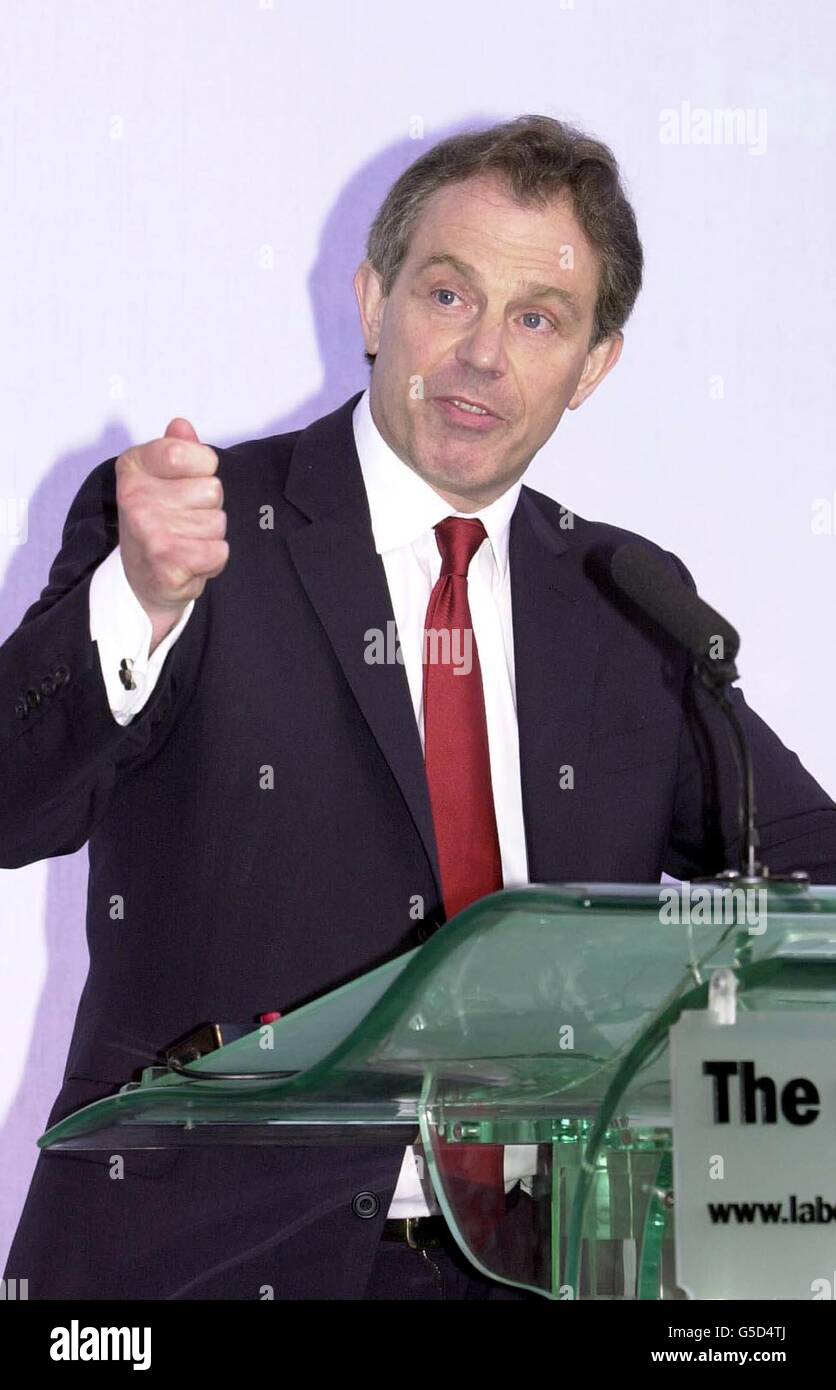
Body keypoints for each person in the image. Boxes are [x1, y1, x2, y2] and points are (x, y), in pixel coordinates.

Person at [3, 114, 836, 1301]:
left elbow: (807, 871)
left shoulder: (624, 605)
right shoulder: (199, 528)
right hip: (200, 1266)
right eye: (448, 295)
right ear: (371, 300)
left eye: (536, 319)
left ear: (591, 366)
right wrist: (133, 598)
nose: (483, 355)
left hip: (539, 1271)